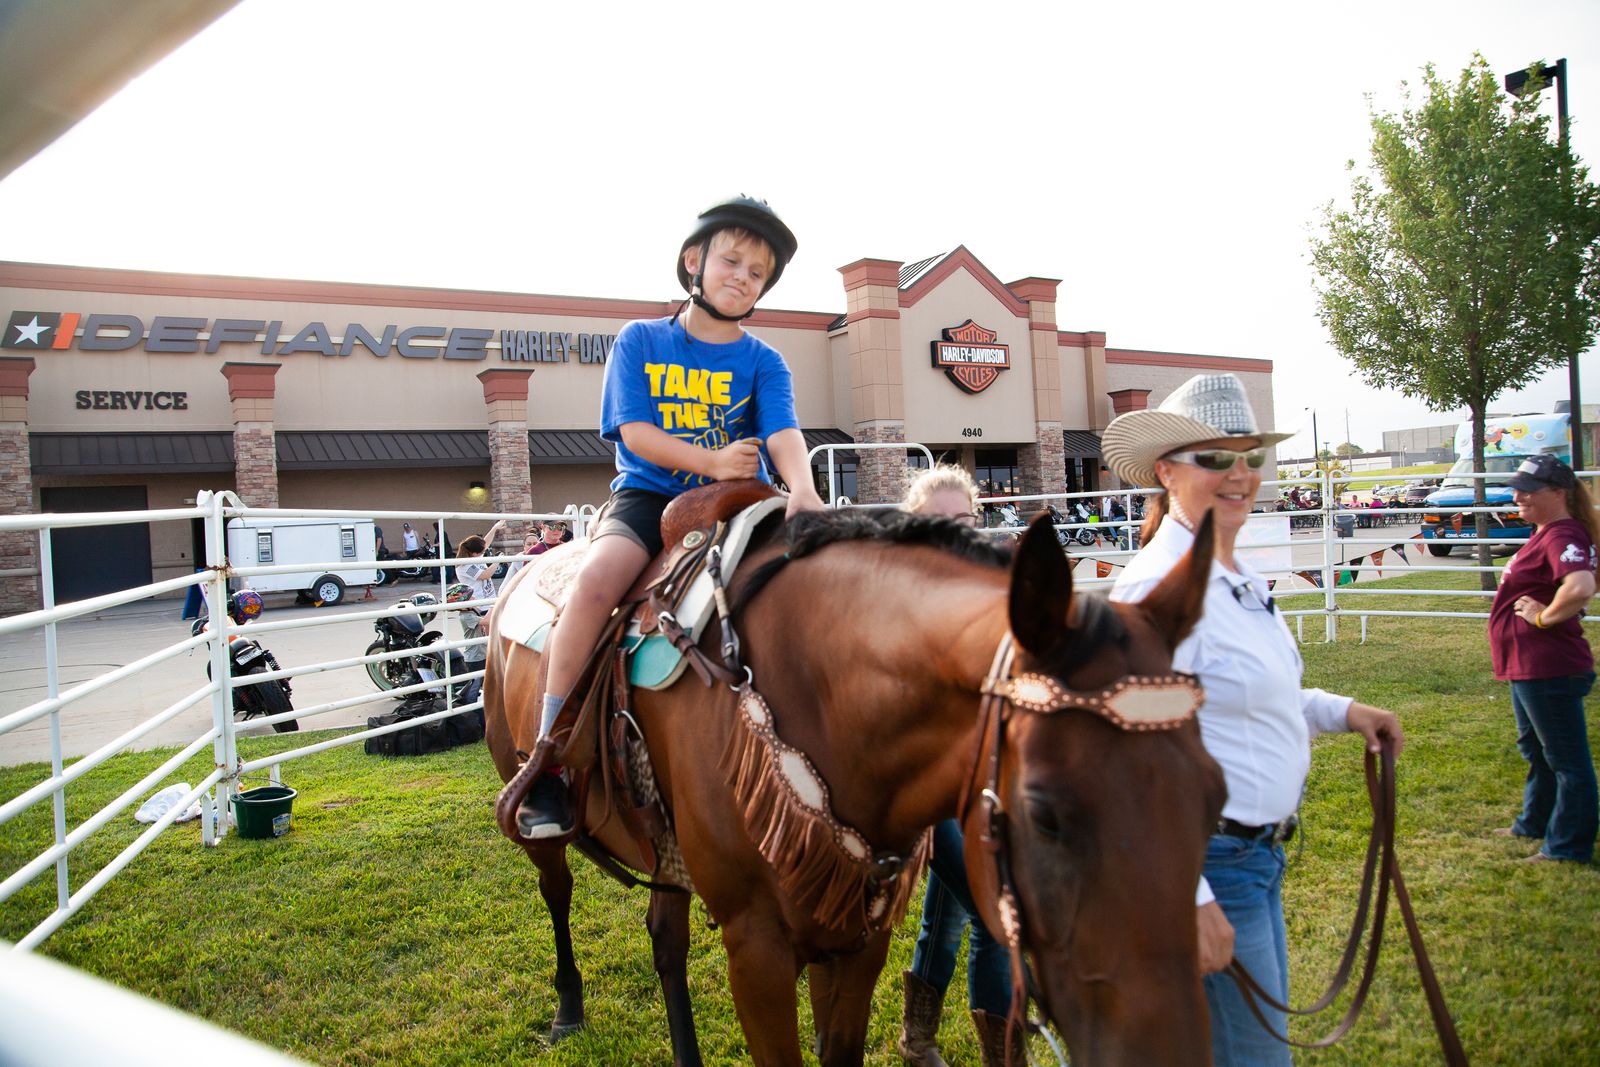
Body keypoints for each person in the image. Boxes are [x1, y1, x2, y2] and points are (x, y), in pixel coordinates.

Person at [1102, 373, 1404, 1067]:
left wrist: (1342, 712)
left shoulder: (1229, 572)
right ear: (1167, 471)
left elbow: (1251, 694)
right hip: (1209, 860)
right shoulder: (1156, 587)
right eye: (1216, 458)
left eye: (1251, 456)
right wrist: (1191, 895)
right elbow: (1126, 755)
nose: (1240, 475)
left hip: (1251, 855)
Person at [517, 195, 825, 839]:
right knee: (595, 585)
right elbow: (634, 432)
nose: (743, 277)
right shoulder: (641, 339)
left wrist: (803, 487)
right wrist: (710, 461)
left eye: (758, 272)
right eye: (731, 261)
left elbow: (783, 431)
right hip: (649, 497)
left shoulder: (764, 361)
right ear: (694, 262)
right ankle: (548, 757)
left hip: (738, 503)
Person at [896, 464, 1014, 1066]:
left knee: (945, 914)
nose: (957, 533)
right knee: (994, 915)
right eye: (939, 525)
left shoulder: (988, 592)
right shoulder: (902, 602)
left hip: (980, 785)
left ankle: (917, 1039)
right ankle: (1004, 1057)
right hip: (924, 791)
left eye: (964, 520)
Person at [1489, 453, 1597, 864]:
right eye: (1517, 490)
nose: (1518, 497)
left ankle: (1568, 847)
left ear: (1558, 493)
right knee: (1537, 750)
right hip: (1531, 665)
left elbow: (1580, 586)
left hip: (1548, 667)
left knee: (1567, 760)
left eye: (1528, 491)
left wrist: (1544, 617)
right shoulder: (1550, 532)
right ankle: (1533, 823)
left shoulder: (1560, 534)